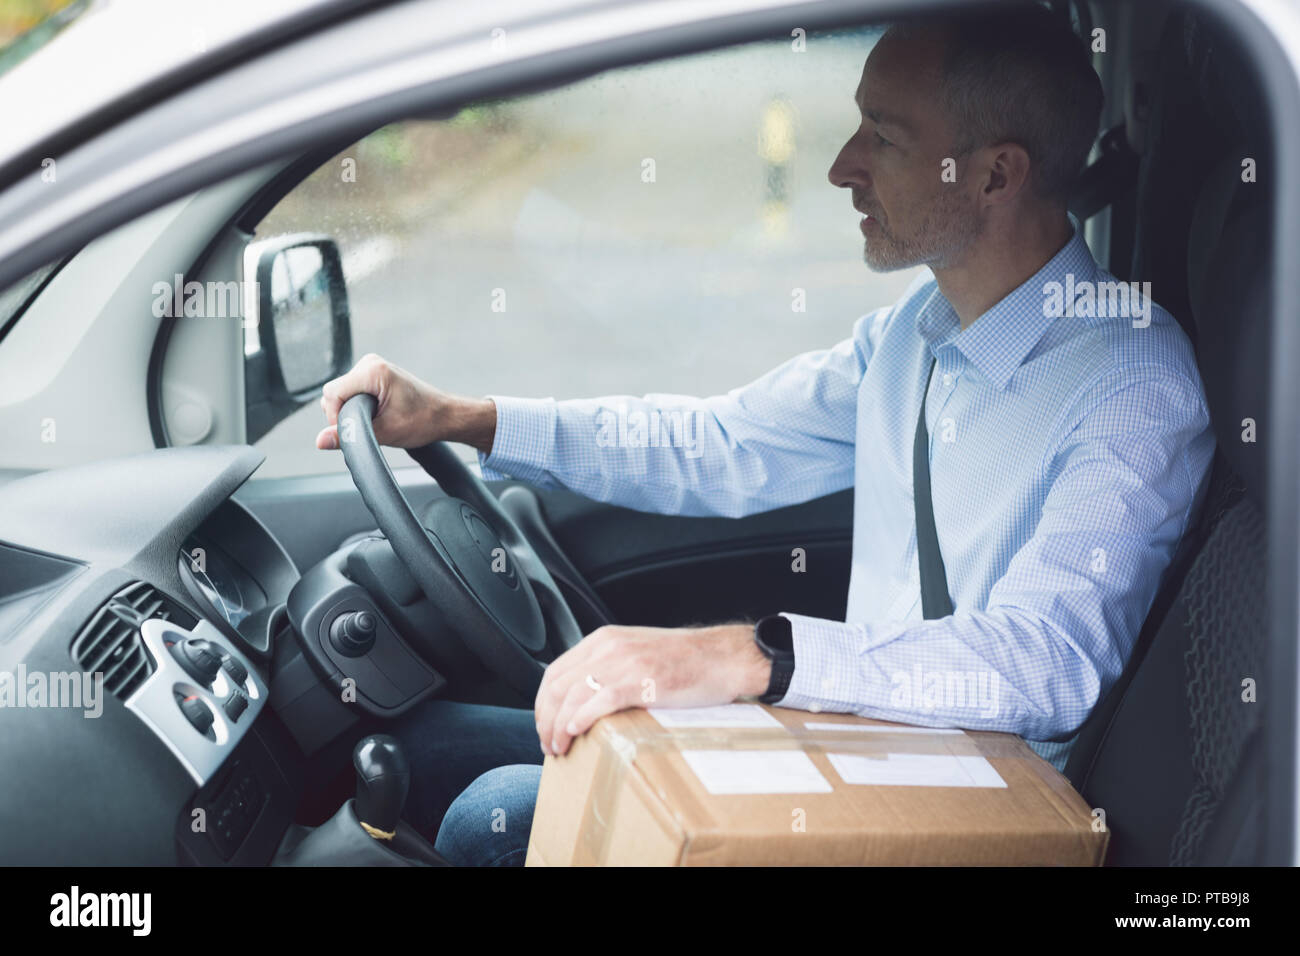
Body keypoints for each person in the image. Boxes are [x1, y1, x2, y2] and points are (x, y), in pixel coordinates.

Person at [316, 4, 1215, 866]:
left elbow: (1046, 661)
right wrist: (467, 419)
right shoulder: (916, 333)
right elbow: (715, 444)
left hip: (965, 811)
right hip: (858, 743)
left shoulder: (1133, 382)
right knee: (427, 745)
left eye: (884, 137)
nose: (840, 166)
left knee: (496, 816)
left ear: (993, 174)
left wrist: (746, 654)